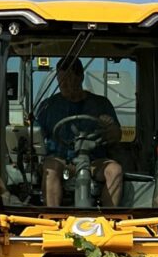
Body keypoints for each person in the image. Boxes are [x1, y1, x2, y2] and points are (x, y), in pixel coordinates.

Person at [36, 57, 123, 207]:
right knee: (51, 168)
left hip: (94, 162)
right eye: (62, 79)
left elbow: (116, 136)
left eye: (71, 79)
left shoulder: (101, 104)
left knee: (115, 170)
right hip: (61, 161)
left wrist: (109, 125)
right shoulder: (48, 106)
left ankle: (109, 218)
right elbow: (36, 136)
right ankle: (52, 218)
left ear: (81, 77)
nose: (66, 84)